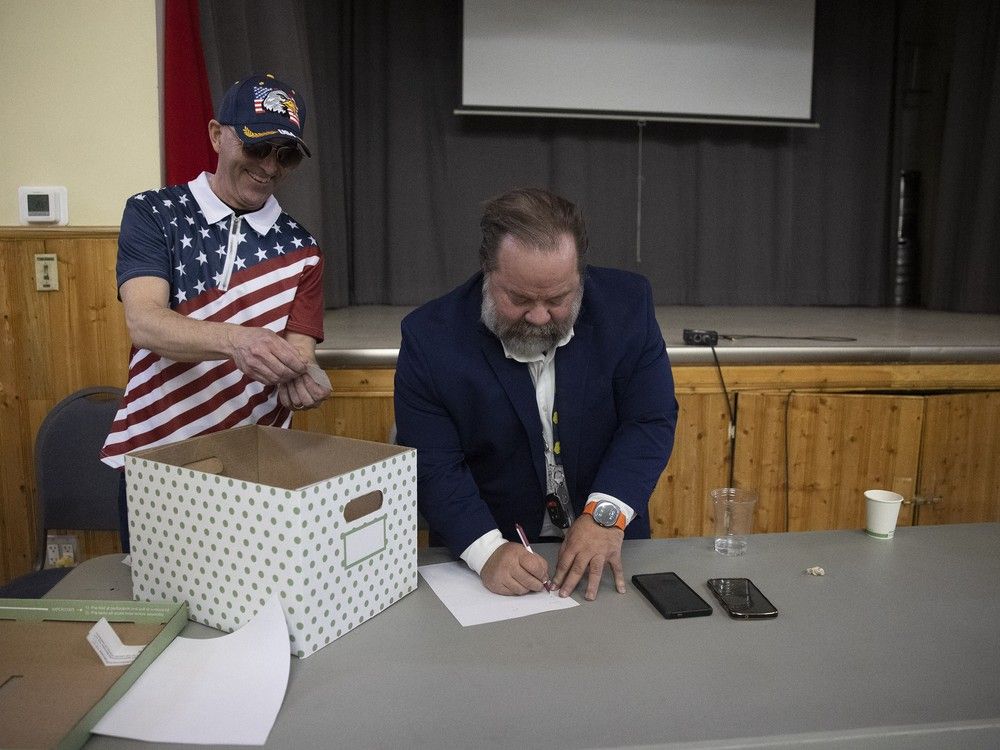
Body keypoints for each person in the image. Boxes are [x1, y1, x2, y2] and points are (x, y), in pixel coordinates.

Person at [394, 187, 677, 600]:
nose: (540, 316)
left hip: (608, 544)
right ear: (487, 272)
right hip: (491, 557)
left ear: (580, 275)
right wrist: (487, 551)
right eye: (520, 298)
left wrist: (605, 515)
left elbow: (649, 420)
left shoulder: (627, 307)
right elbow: (434, 466)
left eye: (559, 298)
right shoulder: (430, 340)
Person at [101, 73, 331, 548]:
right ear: (215, 134)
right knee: (161, 612)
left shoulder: (303, 248)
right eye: (257, 147)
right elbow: (144, 322)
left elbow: (298, 354)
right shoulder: (153, 213)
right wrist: (239, 340)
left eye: (284, 154)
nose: (269, 166)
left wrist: (304, 379)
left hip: (256, 468)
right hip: (158, 458)